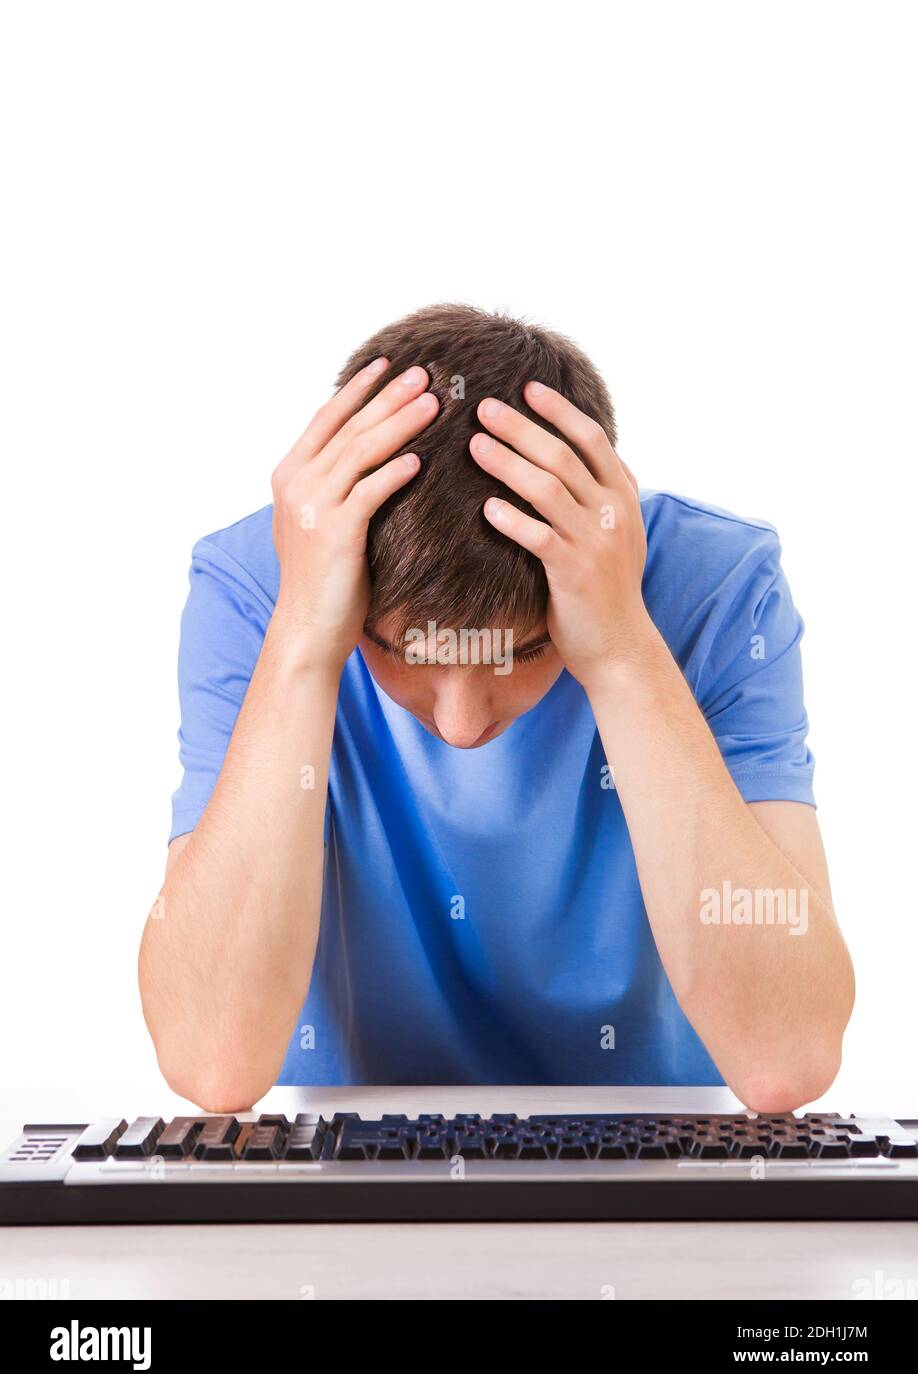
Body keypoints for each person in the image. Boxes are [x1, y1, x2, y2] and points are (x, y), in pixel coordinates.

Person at [139, 303, 854, 1113]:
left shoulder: (718, 587)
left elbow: (787, 1059)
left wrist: (620, 647)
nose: (461, 724)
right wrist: (303, 639)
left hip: (657, 1181)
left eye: (524, 652)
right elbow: (213, 1064)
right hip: (349, 1191)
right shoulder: (259, 588)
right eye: (402, 652)